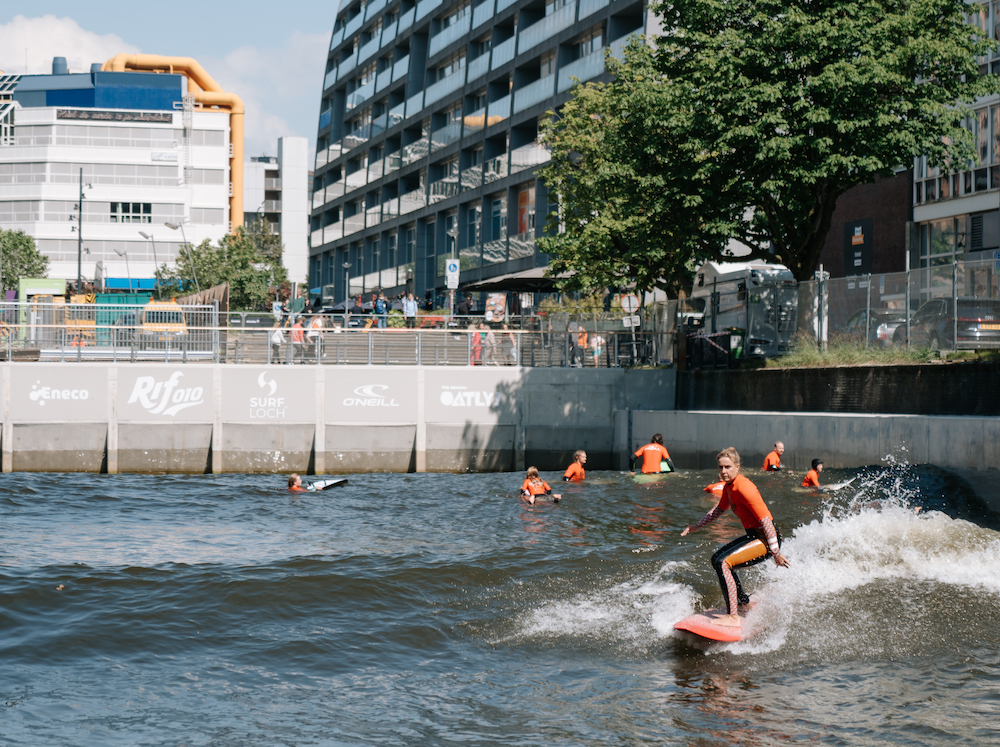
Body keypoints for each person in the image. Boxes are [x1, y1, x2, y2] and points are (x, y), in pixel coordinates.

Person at [681, 447, 790, 627]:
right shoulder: (729, 488)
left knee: (724, 563)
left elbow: (766, 522)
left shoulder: (744, 487)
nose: (723, 471)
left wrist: (776, 553)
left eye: (728, 467)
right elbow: (718, 510)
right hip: (754, 536)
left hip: (766, 539)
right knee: (717, 559)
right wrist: (696, 526)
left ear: (737, 467)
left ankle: (733, 616)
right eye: (720, 467)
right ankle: (742, 603)